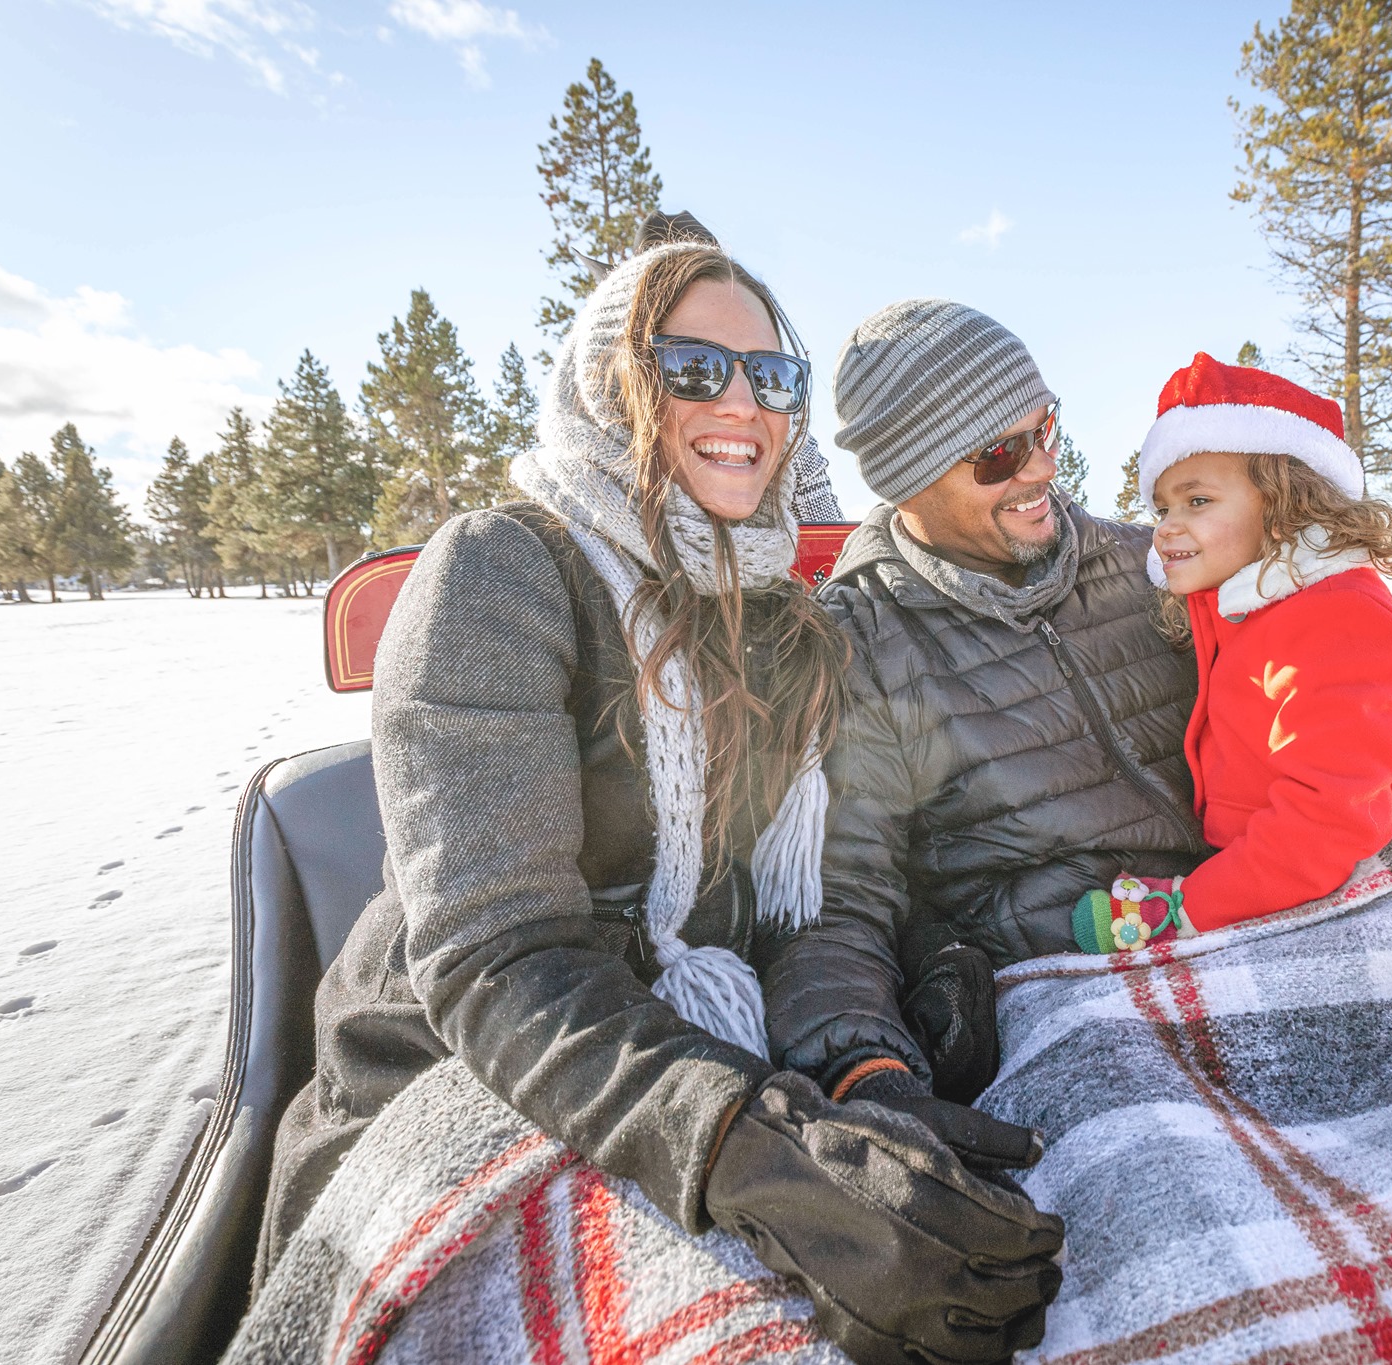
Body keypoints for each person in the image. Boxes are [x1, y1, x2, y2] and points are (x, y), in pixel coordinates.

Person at [252, 224, 1063, 1365]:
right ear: (610, 388)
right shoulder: (500, 572)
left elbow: (805, 903)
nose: (743, 400)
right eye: (692, 368)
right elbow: (498, 955)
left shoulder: (781, 617)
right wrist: (752, 1149)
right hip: (466, 1071)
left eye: (771, 376)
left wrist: (867, 1068)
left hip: (698, 1058)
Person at [763, 299, 1392, 1112]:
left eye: (1045, 427)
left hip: (1290, 918)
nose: (1044, 467)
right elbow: (836, 900)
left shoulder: (1154, 565)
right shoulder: (858, 643)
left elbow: (1339, 709)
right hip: (1092, 990)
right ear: (908, 479)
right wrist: (868, 1075)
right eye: (1000, 453)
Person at [1070, 351, 1392, 951]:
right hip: (1287, 872)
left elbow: (1330, 821)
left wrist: (1186, 908)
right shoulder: (1240, 609)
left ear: (1285, 503)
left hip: (1383, 873)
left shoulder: (1336, 618)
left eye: (1197, 501)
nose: (1165, 527)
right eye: (1162, 508)